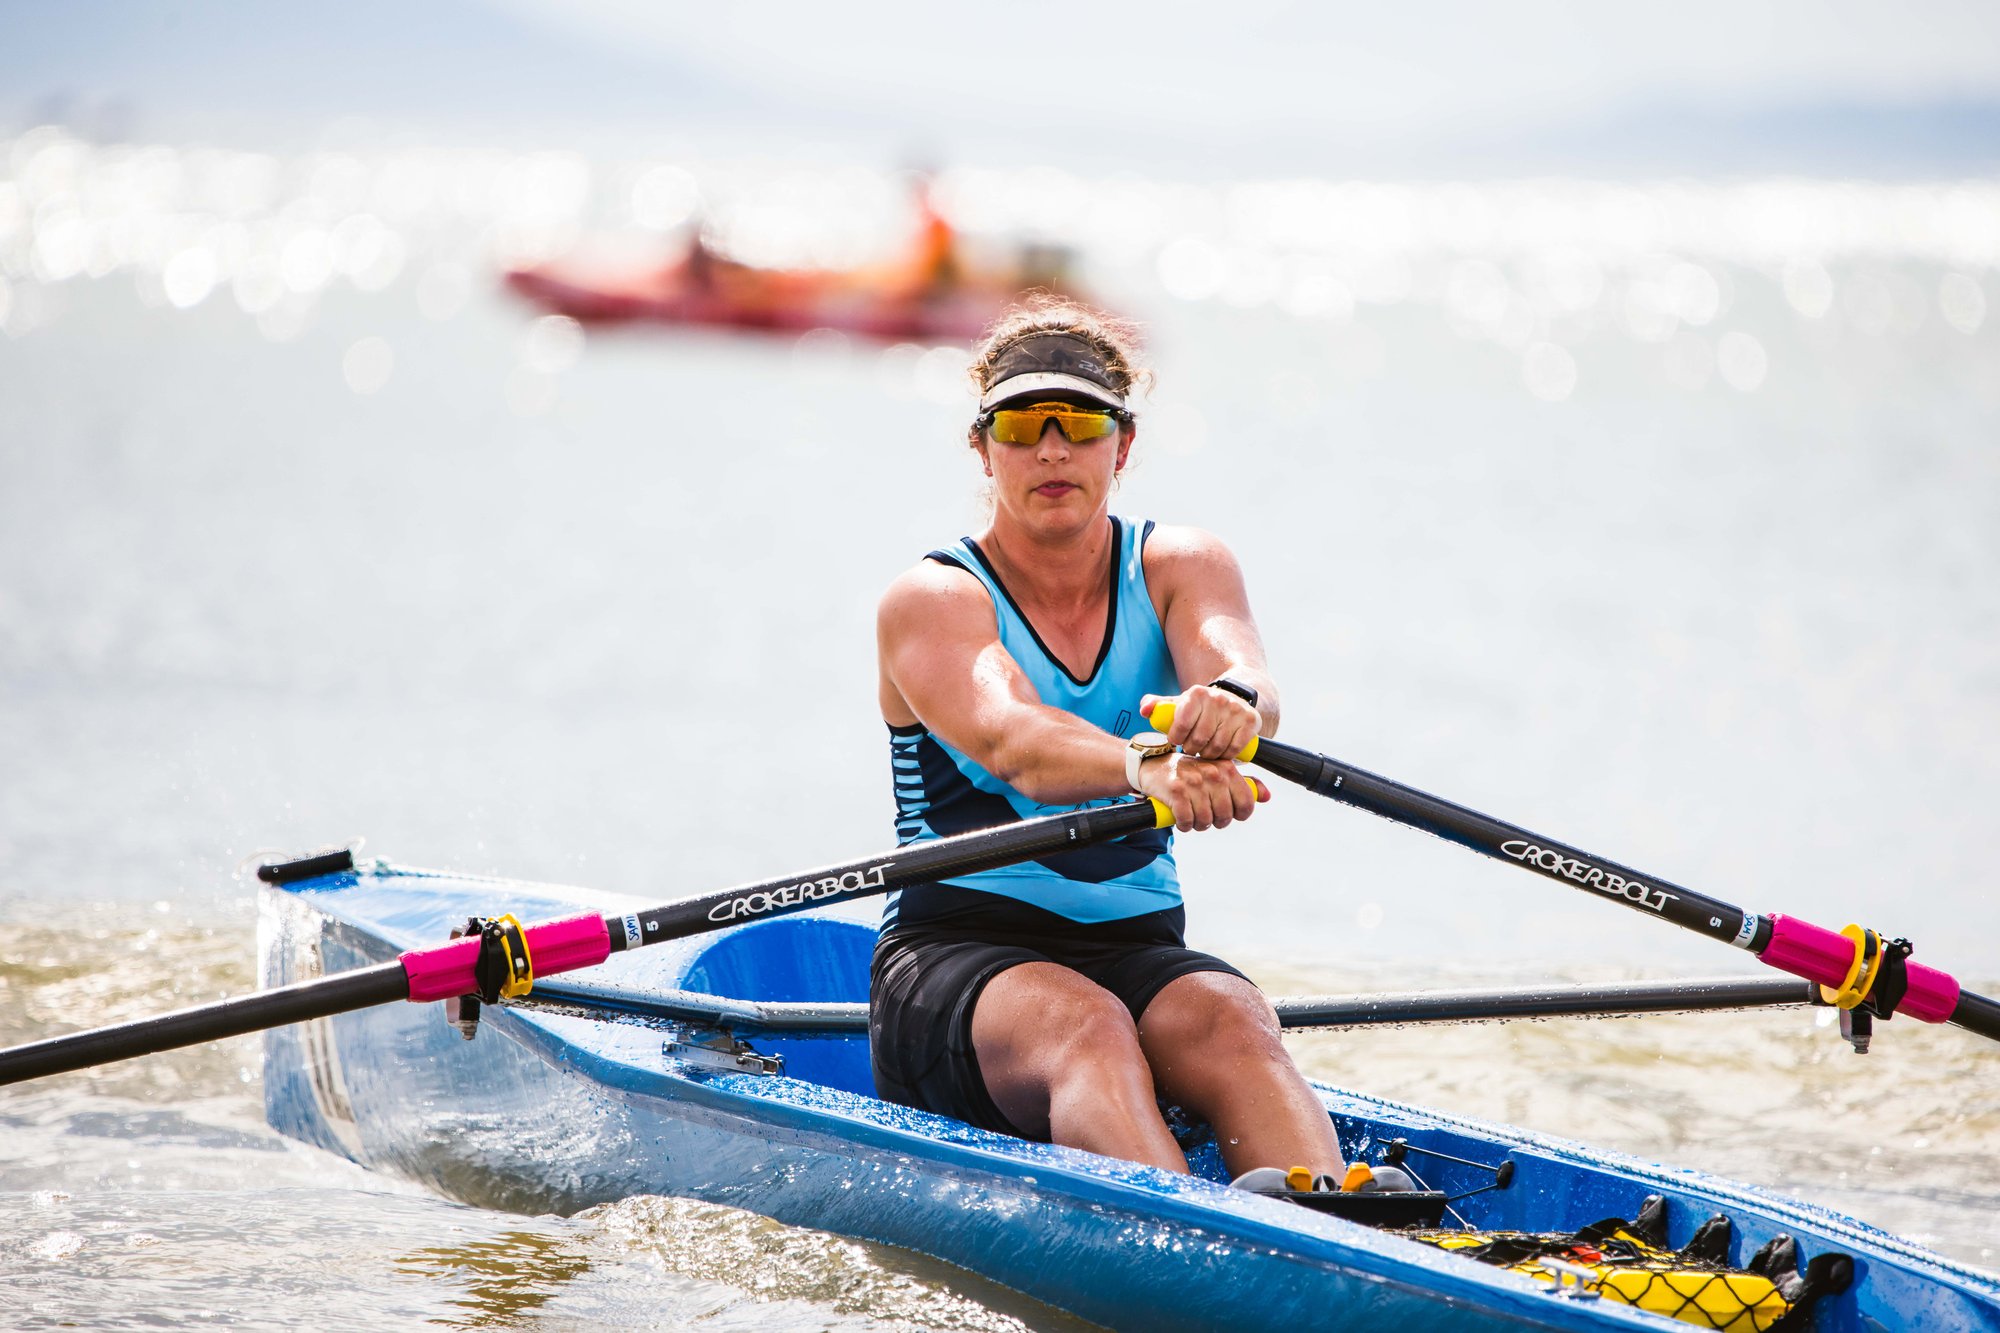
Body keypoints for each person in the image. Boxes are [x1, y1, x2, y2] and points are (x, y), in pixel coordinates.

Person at [870, 299, 1348, 1187]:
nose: (1051, 450)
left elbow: (1242, 667)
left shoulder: (1182, 564)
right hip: (954, 956)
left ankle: (1341, 1245)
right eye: (1020, 426)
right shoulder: (933, 601)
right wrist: (1148, 765)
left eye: (1080, 424)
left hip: (1136, 947)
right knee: (1086, 1025)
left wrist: (1235, 704)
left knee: (1236, 1016)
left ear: (1121, 447)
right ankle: (1208, 1265)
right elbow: (1012, 739)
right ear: (985, 450)